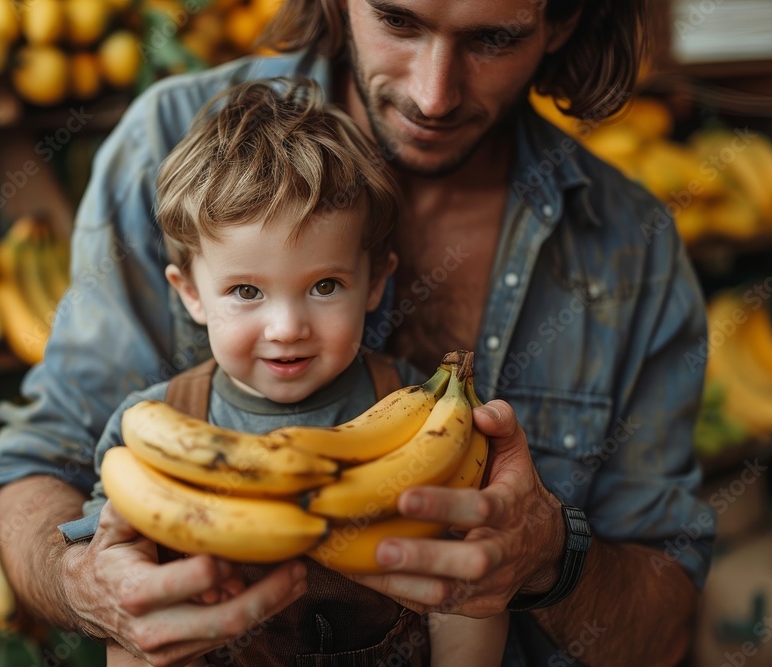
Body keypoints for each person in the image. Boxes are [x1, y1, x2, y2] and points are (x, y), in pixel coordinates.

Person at [0, 0, 715, 665]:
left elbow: (665, 618)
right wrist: (87, 586)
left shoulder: (631, 247)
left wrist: (554, 559)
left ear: (563, 22)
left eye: (493, 38)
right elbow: (39, 463)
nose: (434, 93)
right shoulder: (167, 144)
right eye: (398, 19)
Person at [84, 76, 508, 666]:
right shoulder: (153, 437)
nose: (287, 327)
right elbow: (129, 619)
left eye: (325, 285)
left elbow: (466, 599)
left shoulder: (429, 431)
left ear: (376, 281)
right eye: (246, 290)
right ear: (191, 294)